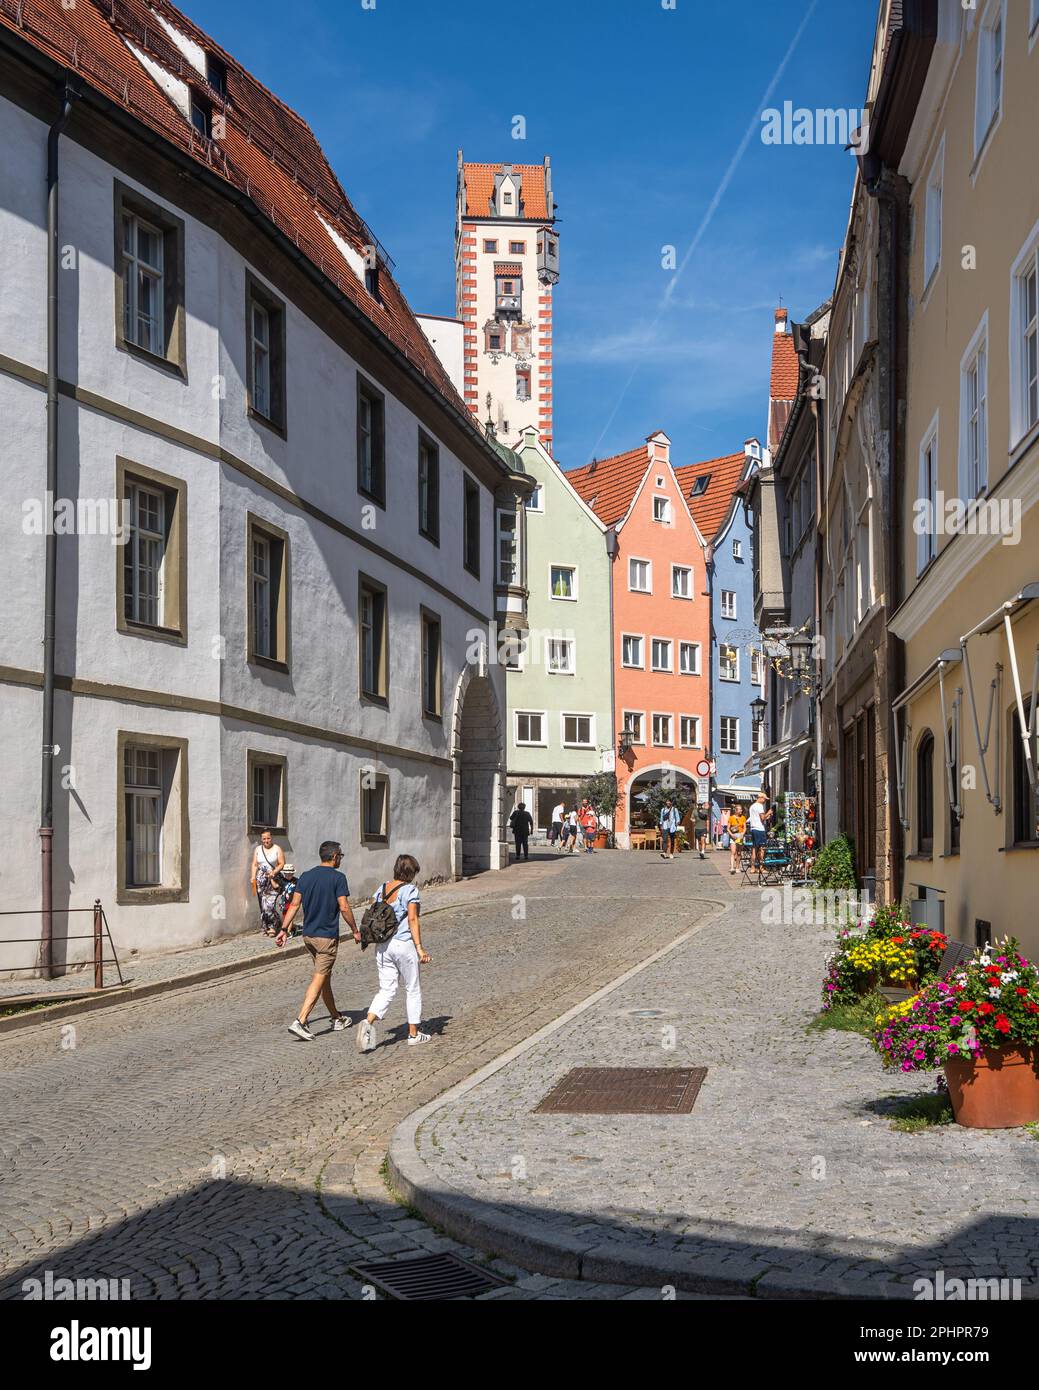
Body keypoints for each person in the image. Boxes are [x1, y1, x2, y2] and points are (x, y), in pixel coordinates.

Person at [276, 840, 357, 1040]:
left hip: (308, 937)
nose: (341, 859)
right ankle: (301, 1021)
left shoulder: (305, 876)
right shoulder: (338, 878)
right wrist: (355, 930)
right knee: (319, 977)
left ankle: (337, 1017)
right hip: (326, 937)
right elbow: (344, 907)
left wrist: (284, 929)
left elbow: (294, 906)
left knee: (324, 978)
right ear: (335, 856)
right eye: (341, 856)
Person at [356, 854, 431, 1052]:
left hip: (382, 946)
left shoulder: (381, 889)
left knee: (387, 989)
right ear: (410, 872)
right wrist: (420, 948)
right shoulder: (410, 890)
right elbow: (413, 919)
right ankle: (414, 1034)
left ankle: (368, 1022)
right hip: (403, 944)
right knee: (412, 988)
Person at [251, 830, 285, 937]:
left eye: (268, 838)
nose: (266, 840)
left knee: (269, 905)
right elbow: (255, 864)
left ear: (271, 838)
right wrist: (253, 876)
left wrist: (274, 872)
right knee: (263, 905)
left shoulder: (277, 848)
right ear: (261, 839)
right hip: (261, 881)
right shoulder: (258, 849)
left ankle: (275, 925)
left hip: (273, 879)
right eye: (264, 838)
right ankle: (267, 926)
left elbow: (281, 863)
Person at [747, 793, 772, 873]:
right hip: (760, 829)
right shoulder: (759, 806)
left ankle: (753, 867)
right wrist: (768, 812)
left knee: (754, 848)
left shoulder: (752, 806)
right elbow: (762, 818)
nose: (765, 801)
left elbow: (755, 818)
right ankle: (761, 867)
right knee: (762, 849)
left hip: (753, 829)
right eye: (764, 799)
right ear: (760, 798)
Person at [728, 804, 747, 875]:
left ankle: (737, 867)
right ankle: (732, 867)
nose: (741, 810)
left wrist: (743, 834)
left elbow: (745, 827)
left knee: (739, 853)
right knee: (733, 852)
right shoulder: (731, 818)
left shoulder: (743, 817)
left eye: (741, 809)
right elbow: (728, 828)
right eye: (740, 809)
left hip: (740, 836)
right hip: (733, 837)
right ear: (736, 810)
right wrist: (732, 835)